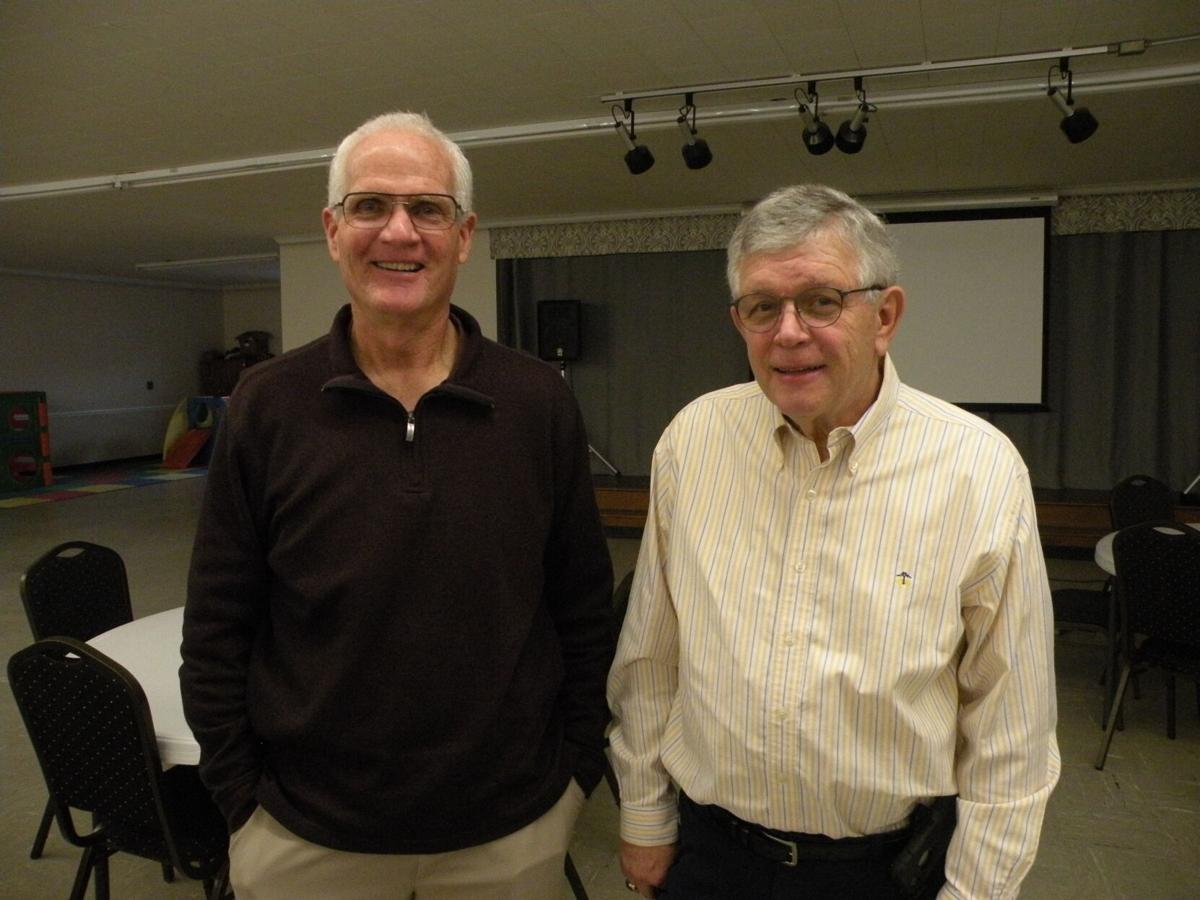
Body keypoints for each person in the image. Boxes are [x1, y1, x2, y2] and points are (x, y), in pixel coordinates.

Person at [181, 111, 614, 900]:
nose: (399, 232)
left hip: (509, 835)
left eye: (428, 208)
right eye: (371, 205)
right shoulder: (267, 403)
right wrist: (241, 799)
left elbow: (582, 607)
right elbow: (217, 621)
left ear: (464, 234)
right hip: (302, 837)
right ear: (333, 228)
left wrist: (575, 776)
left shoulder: (535, 402)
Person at [608, 184, 1059, 899]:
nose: (788, 332)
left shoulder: (977, 469)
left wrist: (978, 892)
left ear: (885, 316)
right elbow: (651, 654)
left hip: (880, 874)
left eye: (821, 301)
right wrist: (642, 812)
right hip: (710, 859)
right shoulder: (693, 442)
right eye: (762, 307)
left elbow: (1013, 726)